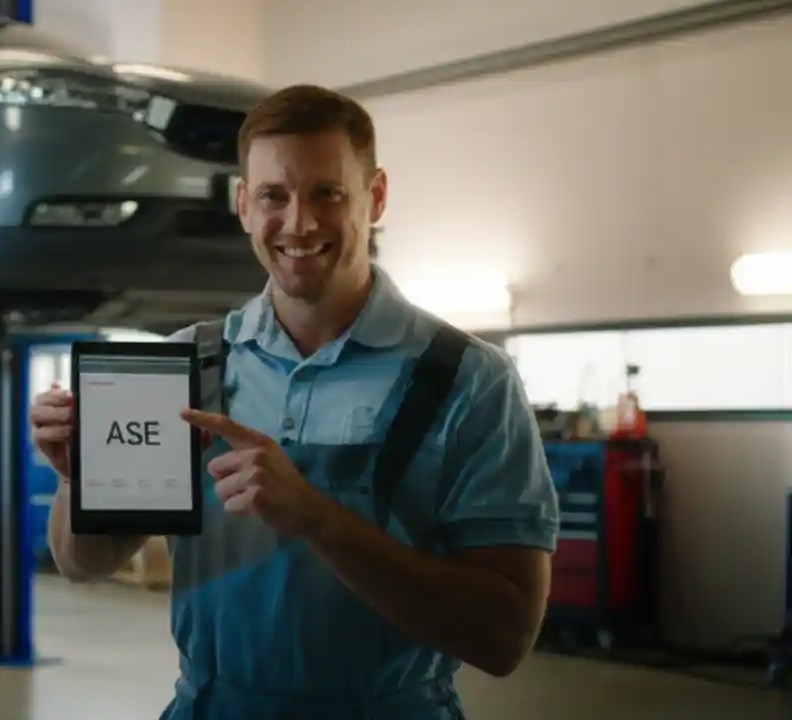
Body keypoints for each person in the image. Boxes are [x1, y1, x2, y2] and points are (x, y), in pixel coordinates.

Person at [30, 84, 560, 719]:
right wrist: (77, 480)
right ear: (243, 206)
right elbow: (85, 563)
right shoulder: (180, 367)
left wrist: (317, 518)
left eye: (327, 194)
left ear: (377, 197)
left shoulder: (469, 380)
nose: (299, 222)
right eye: (273, 196)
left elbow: (505, 637)